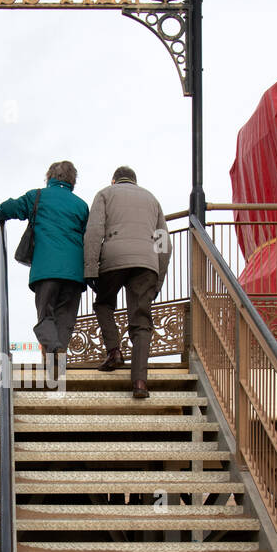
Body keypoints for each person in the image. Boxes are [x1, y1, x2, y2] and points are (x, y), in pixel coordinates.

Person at [83, 166, 171, 399]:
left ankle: (114, 351)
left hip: (113, 258)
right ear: (135, 181)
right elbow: (163, 242)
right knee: (141, 322)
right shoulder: (152, 199)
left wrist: (91, 267)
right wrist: (158, 278)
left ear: (114, 180)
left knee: (103, 303)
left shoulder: (105, 194)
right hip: (146, 264)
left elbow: (94, 232)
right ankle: (140, 382)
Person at [0, 160, 89, 368]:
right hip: (74, 274)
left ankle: (54, 350)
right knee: (66, 320)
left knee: (46, 316)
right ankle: (58, 361)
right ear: (73, 181)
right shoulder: (81, 205)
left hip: (46, 271)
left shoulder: (37, 197)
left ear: (49, 177)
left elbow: (8, 209)